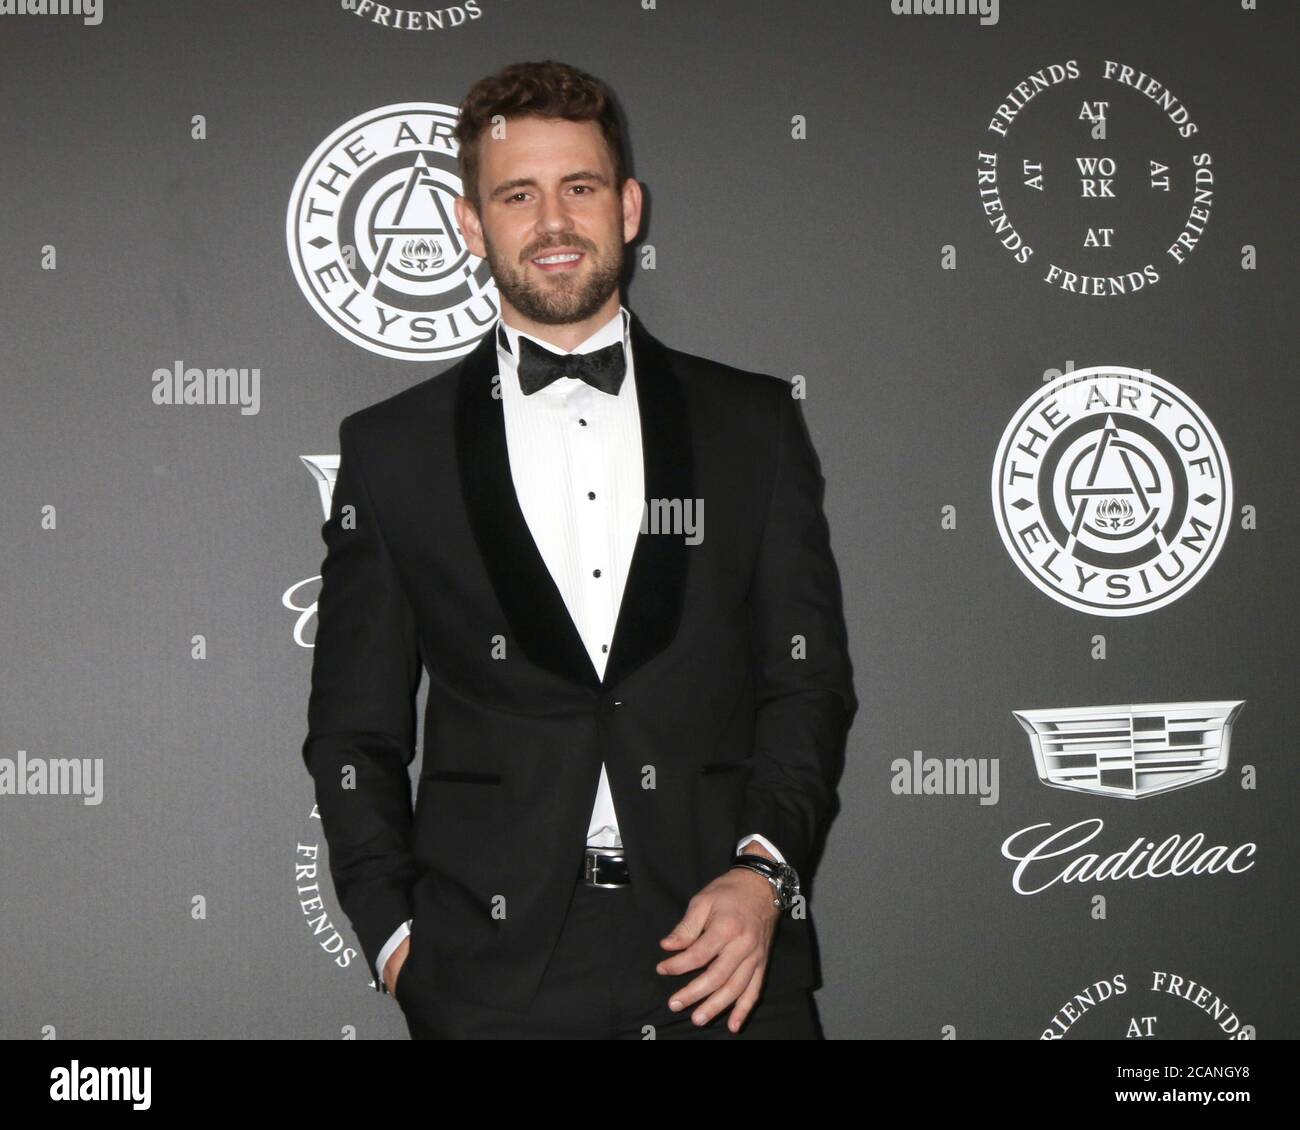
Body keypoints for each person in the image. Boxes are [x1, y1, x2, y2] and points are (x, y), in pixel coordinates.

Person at [302, 59, 857, 1039]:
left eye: (581, 188)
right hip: (490, 977)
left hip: (728, 959)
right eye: (518, 195)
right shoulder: (392, 453)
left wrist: (763, 874)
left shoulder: (753, 425)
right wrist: (396, 939)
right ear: (472, 225)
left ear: (629, 206)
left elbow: (804, 681)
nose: (552, 222)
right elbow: (355, 730)